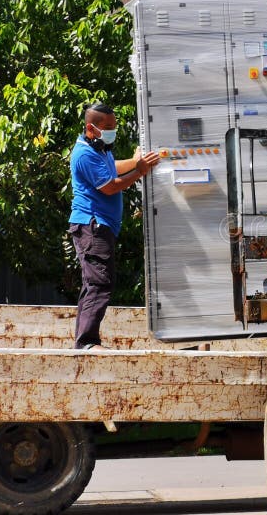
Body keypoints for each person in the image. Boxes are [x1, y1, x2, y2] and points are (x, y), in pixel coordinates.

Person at [68, 103, 160, 349]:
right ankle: (87, 342)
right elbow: (109, 186)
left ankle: (85, 342)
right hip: (92, 226)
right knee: (99, 282)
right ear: (91, 127)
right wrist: (140, 171)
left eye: (114, 126)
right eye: (107, 127)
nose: (112, 131)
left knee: (96, 282)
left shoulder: (100, 148)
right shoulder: (84, 154)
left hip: (100, 226)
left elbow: (112, 168)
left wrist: (133, 161)